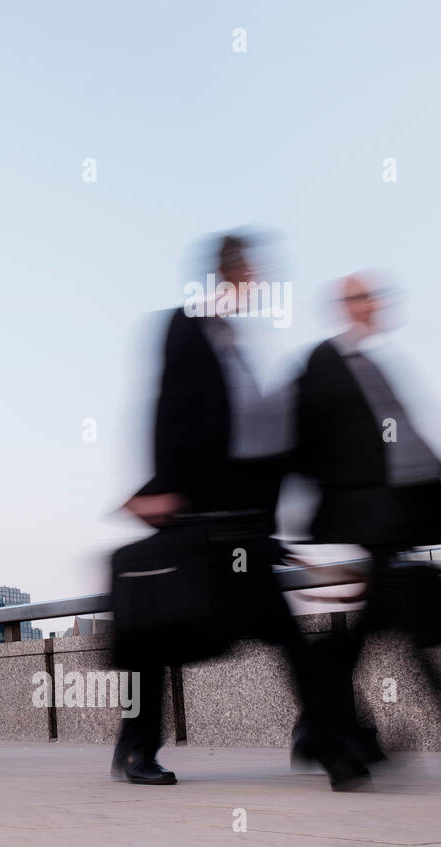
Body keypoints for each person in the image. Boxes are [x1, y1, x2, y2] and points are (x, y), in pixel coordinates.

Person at [118, 234, 368, 790]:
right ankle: (136, 748)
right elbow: (167, 411)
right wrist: (158, 489)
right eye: (250, 272)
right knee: (156, 639)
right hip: (194, 518)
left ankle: (332, 748)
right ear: (227, 274)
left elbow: (256, 440)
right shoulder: (184, 327)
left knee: (287, 638)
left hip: (242, 527)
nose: (257, 282)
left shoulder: (238, 344)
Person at [292, 273, 441, 767]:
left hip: (397, 514)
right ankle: (323, 724)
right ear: (345, 306)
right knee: (403, 617)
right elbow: (307, 436)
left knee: (380, 620)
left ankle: (318, 725)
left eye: (374, 296)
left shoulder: (372, 362)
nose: (373, 305)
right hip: (368, 515)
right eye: (362, 298)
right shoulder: (327, 361)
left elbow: (406, 441)